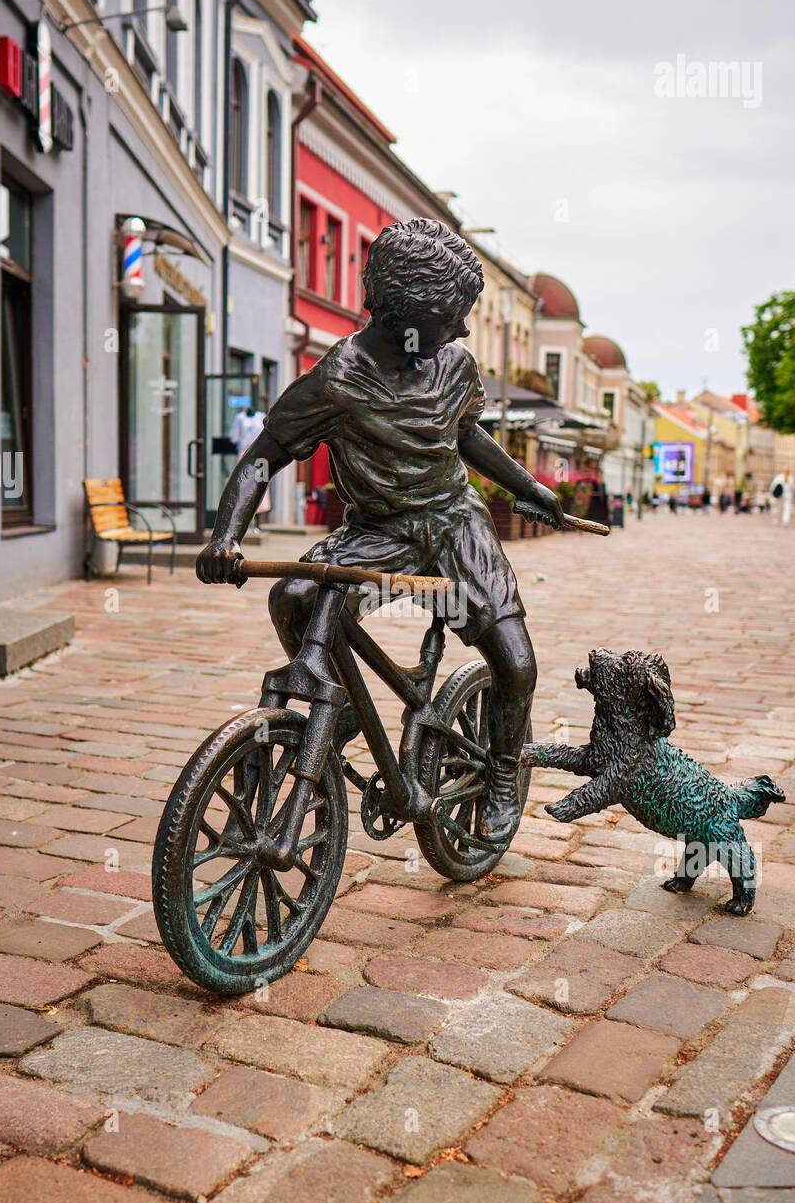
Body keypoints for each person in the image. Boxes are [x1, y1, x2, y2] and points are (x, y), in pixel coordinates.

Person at [197, 218, 566, 845]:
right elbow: (264, 456)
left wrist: (528, 487)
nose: (465, 328)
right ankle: (336, 705)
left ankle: (504, 770)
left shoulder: (454, 365)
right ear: (414, 317)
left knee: (516, 664)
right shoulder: (338, 380)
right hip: (379, 532)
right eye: (457, 314)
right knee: (292, 597)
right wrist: (226, 535)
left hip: (455, 527)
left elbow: (467, 433)